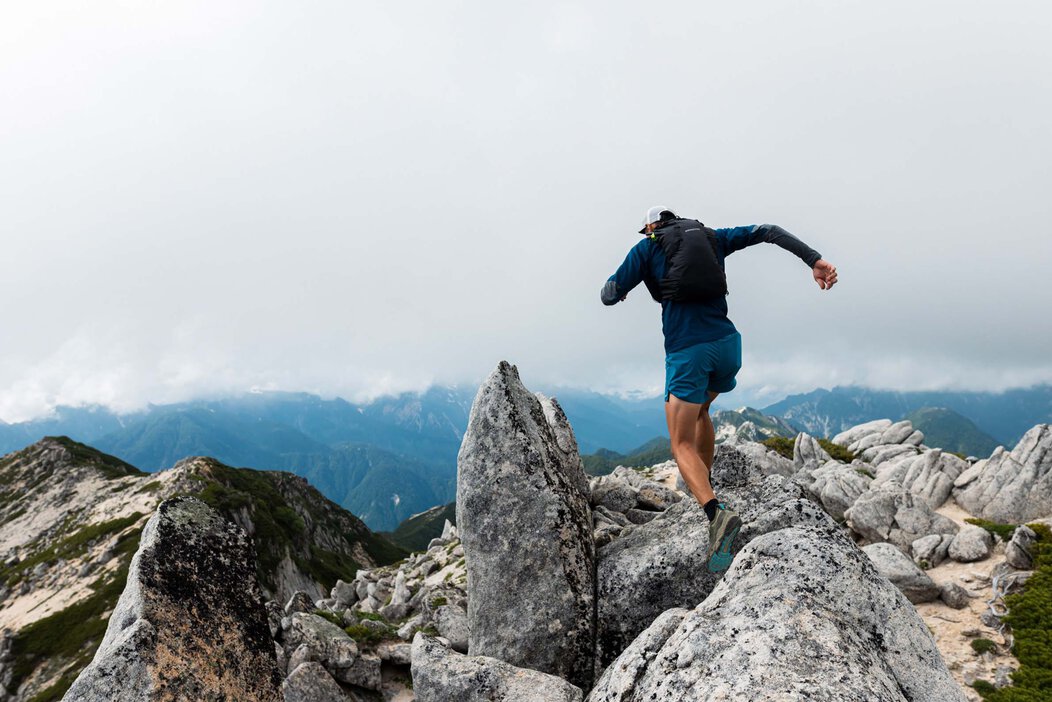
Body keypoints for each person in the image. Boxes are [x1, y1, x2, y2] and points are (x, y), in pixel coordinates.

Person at [601, 206, 838, 571]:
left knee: (679, 444)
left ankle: (716, 514)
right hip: (728, 345)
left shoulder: (646, 248)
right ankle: (706, 486)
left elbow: (608, 294)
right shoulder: (712, 237)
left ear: (651, 227)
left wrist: (623, 289)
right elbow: (767, 229)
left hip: (688, 352)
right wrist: (815, 260)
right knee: (702, 410)